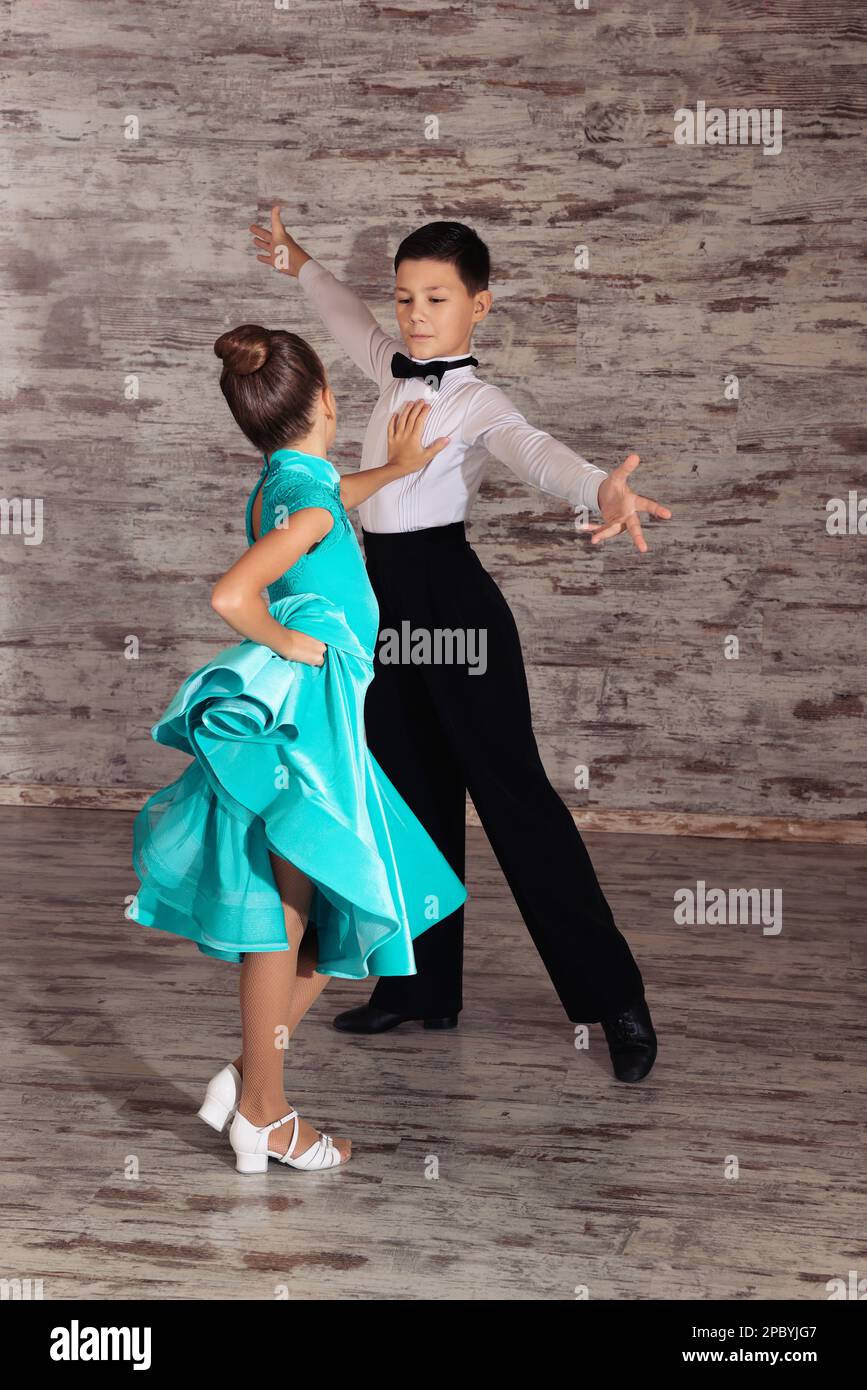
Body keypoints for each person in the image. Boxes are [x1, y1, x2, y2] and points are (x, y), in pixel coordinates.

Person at [249, 211, 672, 1082]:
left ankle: (615, 1000)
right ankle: (418, 989)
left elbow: (536, 454)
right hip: (379, 603)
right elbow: (342, 316)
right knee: (406, 800)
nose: (413, 314)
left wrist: (599, 487)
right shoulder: (386, 363)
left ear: (479, 305)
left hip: (456, 611)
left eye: (435, 299)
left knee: (516, 804)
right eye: (405, 297)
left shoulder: (479, 400)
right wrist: (299, 262)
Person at [125, 323, 466, 1172]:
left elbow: (325, 496)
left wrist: (391, 473)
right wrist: (283, 637)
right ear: (324, 399)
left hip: (323, 712)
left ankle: (250, 1081)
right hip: (310, 715)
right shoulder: (307, 503)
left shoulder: (282, 484)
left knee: (361, 891)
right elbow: (233, 592)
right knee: (305, 905)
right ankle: (265, 1113)